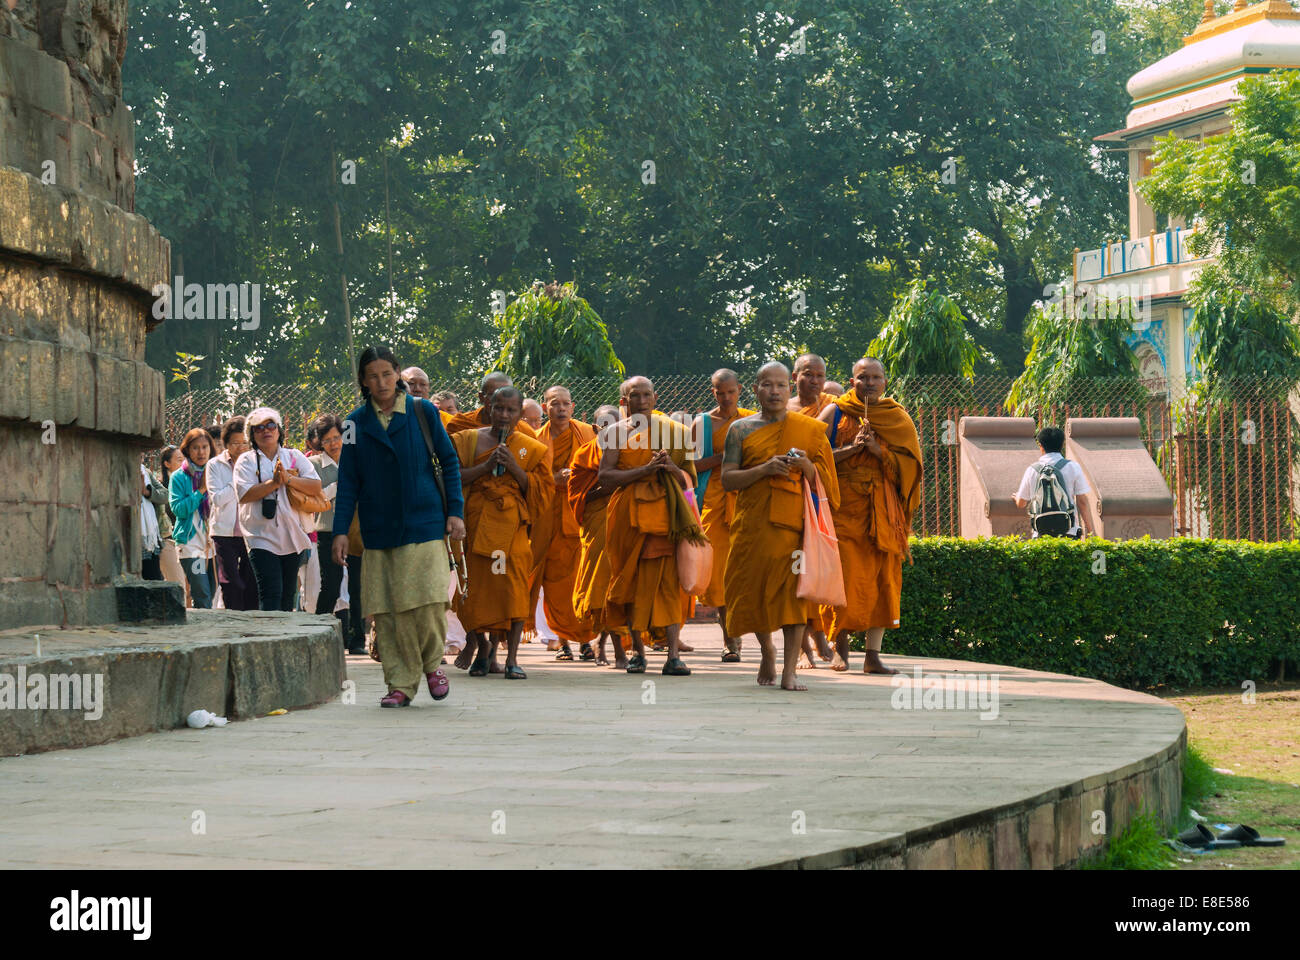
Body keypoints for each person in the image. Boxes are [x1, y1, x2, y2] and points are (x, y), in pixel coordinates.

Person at [332, 346, 467, 706]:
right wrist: (341, 530)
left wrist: (455, 511)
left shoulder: (424, 411)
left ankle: (432, 665)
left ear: (397, 375)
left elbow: (449, 463)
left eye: (387, 374)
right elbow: (348, 480)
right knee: (388, 610)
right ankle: (399, 685)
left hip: (425, 521)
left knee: (428, 602)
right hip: (378, 528)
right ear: (363, 380)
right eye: (372, 376)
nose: (381, 382)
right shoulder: (352, 423)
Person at [721, 362, 839, 691]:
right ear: (756, 389)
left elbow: (827, 484)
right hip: (753, 526)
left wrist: (807, 466)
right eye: (767, 385)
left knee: (793, 598)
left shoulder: (810, 430)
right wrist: (764, 469)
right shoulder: (740, 430)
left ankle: (790, 672)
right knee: (754, 593)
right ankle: (766, 650)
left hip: (794, 528)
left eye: (781, 385)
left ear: (789, 389)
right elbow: (727, 479)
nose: (774, 391)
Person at [817, 358, 922, 675]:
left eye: (877, 378)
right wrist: (851, 450)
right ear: (852, 382)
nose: (870, 383)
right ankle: (841, 648)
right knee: (846, 581)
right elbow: (813, 457)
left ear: (885, 382)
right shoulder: (835, 412)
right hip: (844, 511)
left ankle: (873, 655)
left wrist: (880, 452)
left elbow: (912, 468)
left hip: (884, 512)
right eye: (863, 378)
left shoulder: (897, 417)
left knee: (883, 580)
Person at [598, 376, 699, 676]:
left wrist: (669, 468)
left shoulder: (677, 433)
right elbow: (605, 477)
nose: (641, 401)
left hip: (664, 517)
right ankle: (638, 653)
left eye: (646, 395)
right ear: (624, 401)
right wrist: (643, 470)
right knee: (629, 582)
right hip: (627, 518)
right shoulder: (615, 433)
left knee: (668, 585)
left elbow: (689, 480)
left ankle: (673, 655)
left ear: (656, 398)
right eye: (634, 396)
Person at [451, 385, 551, 680]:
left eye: (511, 410)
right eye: (499, 408)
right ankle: (480, 644)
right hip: (476, 525)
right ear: (488, 408)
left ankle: (512, 659)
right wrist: (487, 467)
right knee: (472, 591)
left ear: (520, 413)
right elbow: (452, 478)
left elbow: (542, 493)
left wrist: (514, 467)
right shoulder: (466, 440)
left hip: (512, 528)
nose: (504, 415)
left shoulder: (531, 447)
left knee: (513, 588)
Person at [692, 369, 755, 662]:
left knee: (747, 571)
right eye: (721, 392)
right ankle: (731, 642)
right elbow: (691, 467)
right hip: (715, 504)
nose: (726, 397)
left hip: (747, 499)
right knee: (719, 576)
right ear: (713, 392)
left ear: (740, 389)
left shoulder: (754, 418)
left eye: (731, 391)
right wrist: (723, 457)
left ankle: (753, 637)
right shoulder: (702, 424)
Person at [235, 407, 321, 612]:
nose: (266, 430)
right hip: (260, 537)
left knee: (288, 594)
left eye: (271, 425)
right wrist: (273, 484)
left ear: (279, 430)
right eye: (259, 428)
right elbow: (244, 494)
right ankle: (269, 639)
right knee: (271, 592)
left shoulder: (293, 456)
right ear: (252, 435)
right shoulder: (246, 461)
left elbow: (315, 485)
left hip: (291, 534)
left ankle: (285, 639)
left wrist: (288, 479)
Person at [537, 385, 597, 661]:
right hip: (548, 518)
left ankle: (585, 640)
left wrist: (574, 478)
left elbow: (601, 469)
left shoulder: (586, 433)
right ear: (544, 407)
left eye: (565, 404)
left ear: (573, 407)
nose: (560, 409)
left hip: (581, 514)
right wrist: (553, 480)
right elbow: (530, 479)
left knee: (583, 578)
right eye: (554, 404)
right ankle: (562, 641)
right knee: (555, 583)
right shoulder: (536, 439)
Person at [568, 404, 630, 667]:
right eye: (605, 426)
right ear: (596, 428)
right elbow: (578, 497)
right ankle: (615, 649)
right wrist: (608, 488)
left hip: (628, 523)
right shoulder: (584, 455)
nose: (611, 430)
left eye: (616, 425)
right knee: (602, 585)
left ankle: (612, 645)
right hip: (599, 526)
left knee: (623, 584)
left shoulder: (633, 451)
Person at [786, 353, 837, 664]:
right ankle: (804, 645)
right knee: (795, 569)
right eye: (808, 374)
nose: (815, 381)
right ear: (795, 377)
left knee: (815, 567)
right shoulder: (782, 409)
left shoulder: (833, 405)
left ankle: (820, 636)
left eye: (820, 375)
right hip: (788, 496)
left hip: (820, 494)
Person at [309, 414, 360, 650]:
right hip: (328, 531)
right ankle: (317, 633)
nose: (333, 443)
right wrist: (342, 485)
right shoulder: (314, 465)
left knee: (357, 586)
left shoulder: (356, 457)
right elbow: (316, 498)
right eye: (327, 439)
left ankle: (357, 638)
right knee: (331, 583)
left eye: (337, 437)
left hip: (356, 532)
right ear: (319, 442)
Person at [205, 417, 259, 610]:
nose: (241, 447)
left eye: (244, 443)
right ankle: (232, 618)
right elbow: (218, 499)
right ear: (226, 443)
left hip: (250, 529)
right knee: (230, 581)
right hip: (224, 531)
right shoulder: (215, 465)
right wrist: (238, 478)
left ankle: (251, 621)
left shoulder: (255, 462)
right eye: (235, 443)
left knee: (251, 581)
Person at [1014, 427, 1091, 538]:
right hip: (1069, 531)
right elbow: (1082, 502)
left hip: (1041, 533)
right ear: (1062, 444)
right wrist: (1090, 530)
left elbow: (1021, 503)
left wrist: (1017, 497)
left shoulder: (1032, 470)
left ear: (1040, 446)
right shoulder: (1073, 467)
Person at [169, 427, 217, 608]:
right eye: (196, 447)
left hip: (213, 543)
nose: (201, 452)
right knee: (202, 592)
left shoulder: (215, 472)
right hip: (191, 545)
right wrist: (201, 490)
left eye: (205, 447)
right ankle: (203, 634)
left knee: (212, 591)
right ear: (187, 450)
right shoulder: (179, 477)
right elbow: (179, 509)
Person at [444, 372, 538, 438]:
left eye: (506, 395)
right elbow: (449, 462)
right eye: (493, 395)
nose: (501, 401)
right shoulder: (460, 424)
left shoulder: (525, 431)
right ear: (481, 397)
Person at [157, 446, 187, 590]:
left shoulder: (188, 484)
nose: (184, 463)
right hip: (169, 541)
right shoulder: (161, 488)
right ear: (167, 464)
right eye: (179, 460)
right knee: (178, 585)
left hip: (188, 541)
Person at [140, 457, 167, 580]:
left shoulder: (146, 473)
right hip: (134, 537)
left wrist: (147, 492)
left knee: (154, 578)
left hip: (150, 539)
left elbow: (166, 495)